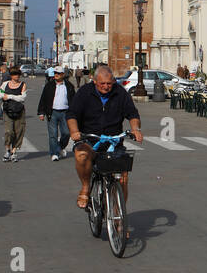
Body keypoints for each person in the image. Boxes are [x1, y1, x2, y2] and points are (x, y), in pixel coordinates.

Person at [67, 64, 144, 209]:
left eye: (109, 83)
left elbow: (132, 114)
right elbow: (72, 114)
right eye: (102, 83)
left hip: (113, 142)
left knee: (122, 178)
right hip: (89, 139)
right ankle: (85, 187)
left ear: (113, 82)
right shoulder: (85, 92)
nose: (106, 87)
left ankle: (118, 218)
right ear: (95, 81)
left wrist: (136, 129)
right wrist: (74, 132)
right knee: (82, 155)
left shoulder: (120, 93)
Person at [37, 67, 76, 162]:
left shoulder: (69, 86)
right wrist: (41, 112)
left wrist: (75, 113)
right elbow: (43, 99)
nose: (56, 75)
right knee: (53, 135)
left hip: (65, 112)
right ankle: (54, 153)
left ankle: (59, 147)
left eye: (58, 73)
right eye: (55, 73)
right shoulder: (49, 85)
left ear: (63, 74)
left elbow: (74, 100)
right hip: (52, 112)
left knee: (66, 133)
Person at [0, 66, 29, 161]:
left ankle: (14, 151)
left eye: (18, 74)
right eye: (15, 74)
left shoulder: (23, 85)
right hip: (7, 110)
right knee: (8, 131)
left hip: (19, 111)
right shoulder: (5, 84)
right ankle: (7, 149)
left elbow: (22, 98)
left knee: (19, 131)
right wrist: (6, 96)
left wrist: (9, 96)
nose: (17, 76)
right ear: (11, 75)